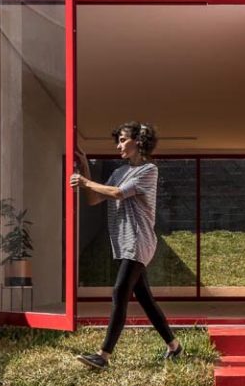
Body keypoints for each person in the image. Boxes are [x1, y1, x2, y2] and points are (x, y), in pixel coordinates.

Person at [70, 121, 182, 369]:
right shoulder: (118, 172)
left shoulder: (149, 170)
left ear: (138, 141)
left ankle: (103, 356)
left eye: (122, 140)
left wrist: (85, 181)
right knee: (145, 298)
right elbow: (94, 198)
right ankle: (174, 346)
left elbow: (119, 193)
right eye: (118, 141)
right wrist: (86, 167)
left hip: (139, 240)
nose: (118, 145)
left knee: (120, 292)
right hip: (123, 241)